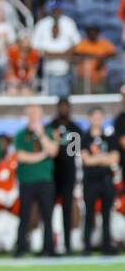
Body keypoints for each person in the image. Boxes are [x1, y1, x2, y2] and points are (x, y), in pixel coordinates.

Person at [13, 104, 59, 256]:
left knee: (47, 216)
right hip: (27, 180)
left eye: (36, 113)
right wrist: (42, 155)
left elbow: (53, 151)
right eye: (31, 113)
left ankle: (49, 248)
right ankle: (21, 247)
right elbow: (21, 157)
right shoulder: (20, 134)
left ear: (41, 115)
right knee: (24, 215)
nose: (33, 117)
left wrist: (40, 134)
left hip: (45, 180)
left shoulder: (48, 132)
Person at [47, 98, 82, 252]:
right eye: (61, 106)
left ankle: (68, 244)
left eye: (66, 106)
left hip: (68, 174)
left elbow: (75, 153)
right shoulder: (50, 126)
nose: (63, 109)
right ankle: (49, 244)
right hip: (52, 174)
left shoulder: (75, 128)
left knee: (67, 210)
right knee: (48, 210)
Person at [81, 108, 118, 254]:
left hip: (106, 180)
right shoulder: (84, 138)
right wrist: (104, 158)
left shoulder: (110, 137)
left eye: (100, 116)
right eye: (94, 116)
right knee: (89, 214)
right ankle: (87, 247)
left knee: (106, 215)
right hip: (90, 181)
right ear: (89, 118)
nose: (97, 119)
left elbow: (114, 158)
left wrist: (95, 159)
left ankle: (107, 246)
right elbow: (86, 160)